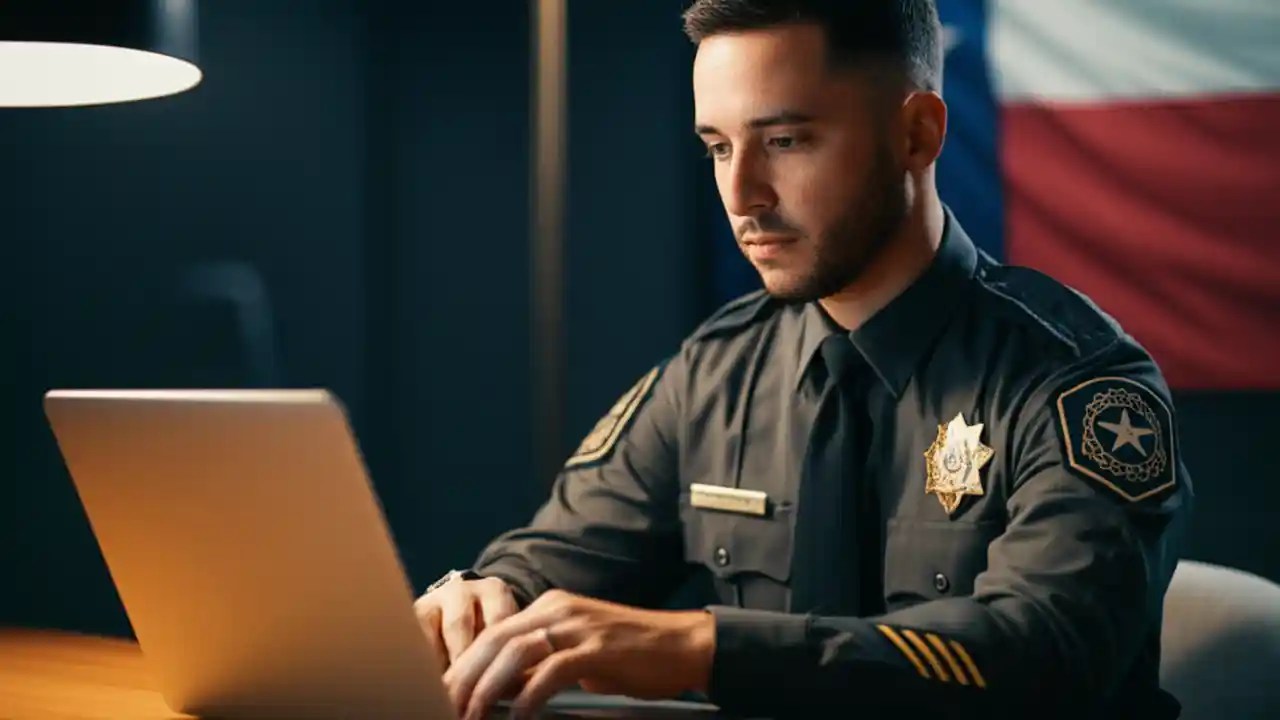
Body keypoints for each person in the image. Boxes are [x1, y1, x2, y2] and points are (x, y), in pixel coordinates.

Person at [414, 1, 1193, 718]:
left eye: (785, 141)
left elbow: (1045, 653)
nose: (742, 194)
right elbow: (563, 555)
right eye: (718, 147)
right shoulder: (716, 373)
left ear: (917, 134)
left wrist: (705, 647)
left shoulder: (1079, 384)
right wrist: (491, 596)